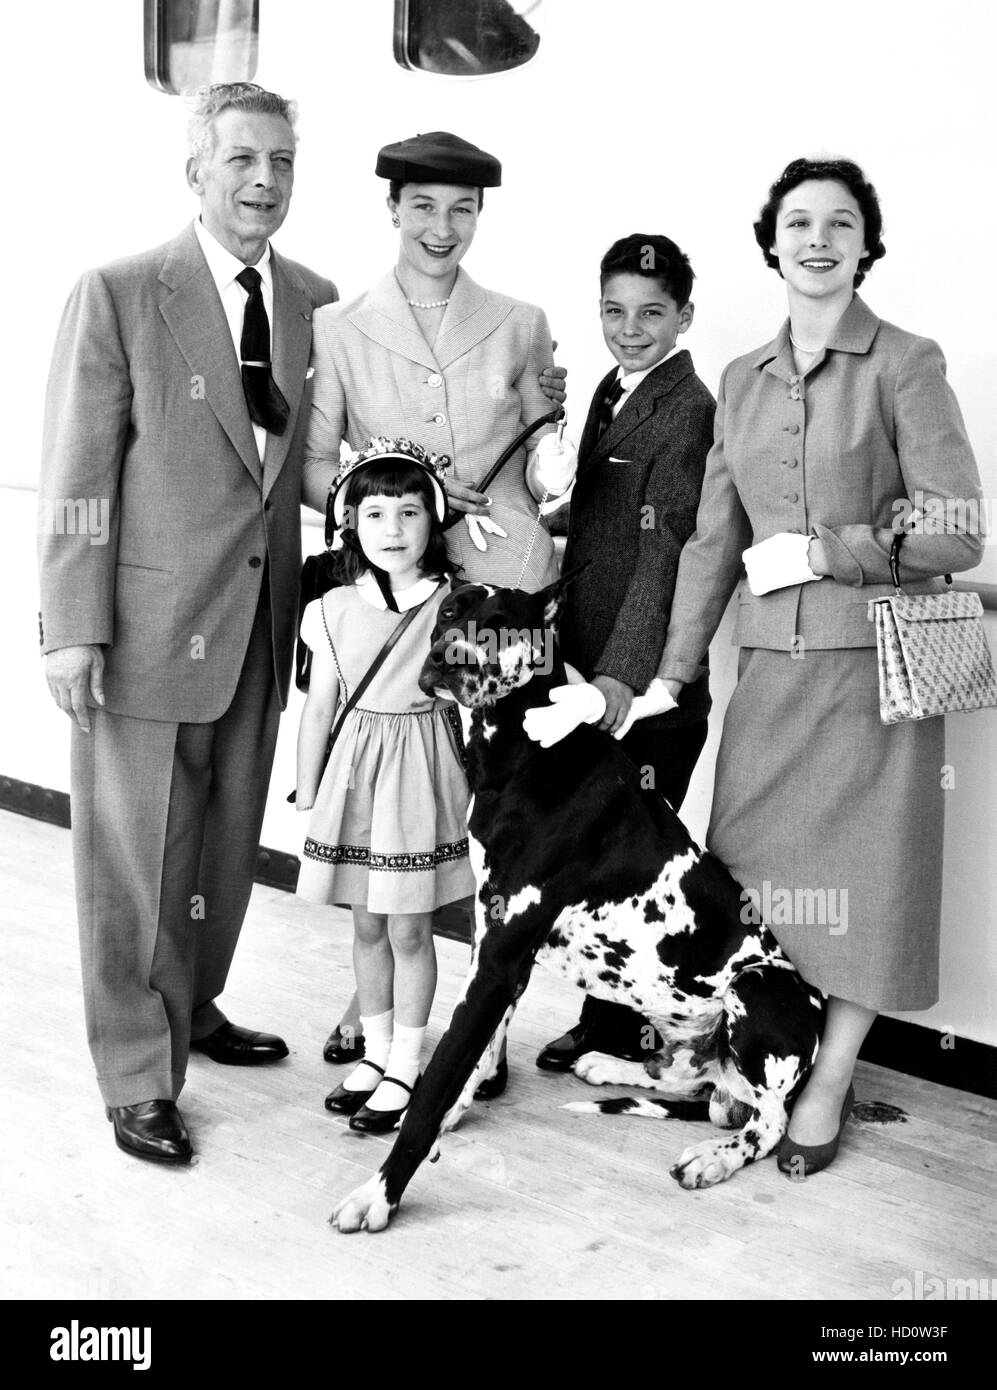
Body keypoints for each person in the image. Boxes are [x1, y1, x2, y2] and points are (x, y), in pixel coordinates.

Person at [542, 157, 985, 1176]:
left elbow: (958, 528)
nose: (817, 239)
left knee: (866, 892)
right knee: (743, 883)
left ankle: (827, 1082)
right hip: (771, 677)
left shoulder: (905, 363)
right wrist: (668, 672)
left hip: (878, 678)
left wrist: (833, 551)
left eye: (839, 223)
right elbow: (707, 542)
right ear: (771, 240)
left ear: (865, 243)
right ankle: (758, 1063)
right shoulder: (740, 378)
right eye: (797, 222)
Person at [37, 83, 340, 1164]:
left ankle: (193, 1007)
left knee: (217, 847)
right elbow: (76, 474)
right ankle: (135, 1070)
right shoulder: (121, 292)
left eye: (283, 164)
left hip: (259, 629)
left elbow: (316, 471)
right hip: (144, 627)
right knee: (137, 864)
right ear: (197, 171)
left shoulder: (315, 298)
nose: (265, 182)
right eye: (243, 161)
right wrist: (70, 624)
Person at [305, 131, 573, 1069]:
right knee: (404, 797)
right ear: (391, 210)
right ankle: (380, 1004)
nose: (441, 227)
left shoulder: (521, 319)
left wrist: (555, 439)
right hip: (402, 597)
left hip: (503, 593)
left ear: (480, 217)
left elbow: (549, 469)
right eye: (422, 205)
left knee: (493, 805)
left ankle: (482, 1022)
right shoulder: (338, 326)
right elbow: (312, 469)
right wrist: (405, 491)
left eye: (461, 209)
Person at [532, 234, 715, 1072]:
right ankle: (603, 1021)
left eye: (650, 313)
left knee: (632, 868)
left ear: (684, 314)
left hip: (639, 689)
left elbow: (663, 548)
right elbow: (615, 514)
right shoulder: (612, 384)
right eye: (614, 311)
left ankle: (625, 1030)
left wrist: (620, 677)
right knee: (592, 854)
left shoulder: (687, 407)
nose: (629, 328)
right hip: (585, 660)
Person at [296, 440, 474, 1133]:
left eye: (408, 512)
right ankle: (373, 1052)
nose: (392, 531)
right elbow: (320, 706)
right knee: (366, 921)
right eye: (374, 515)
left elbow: (470, 703)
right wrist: (308, 792)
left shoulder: (454, 606)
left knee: (408, 925)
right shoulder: (332, 609)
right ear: (351, 525)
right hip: (354, 775)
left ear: (432, 520)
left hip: (420, 775)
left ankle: (407, 1058)